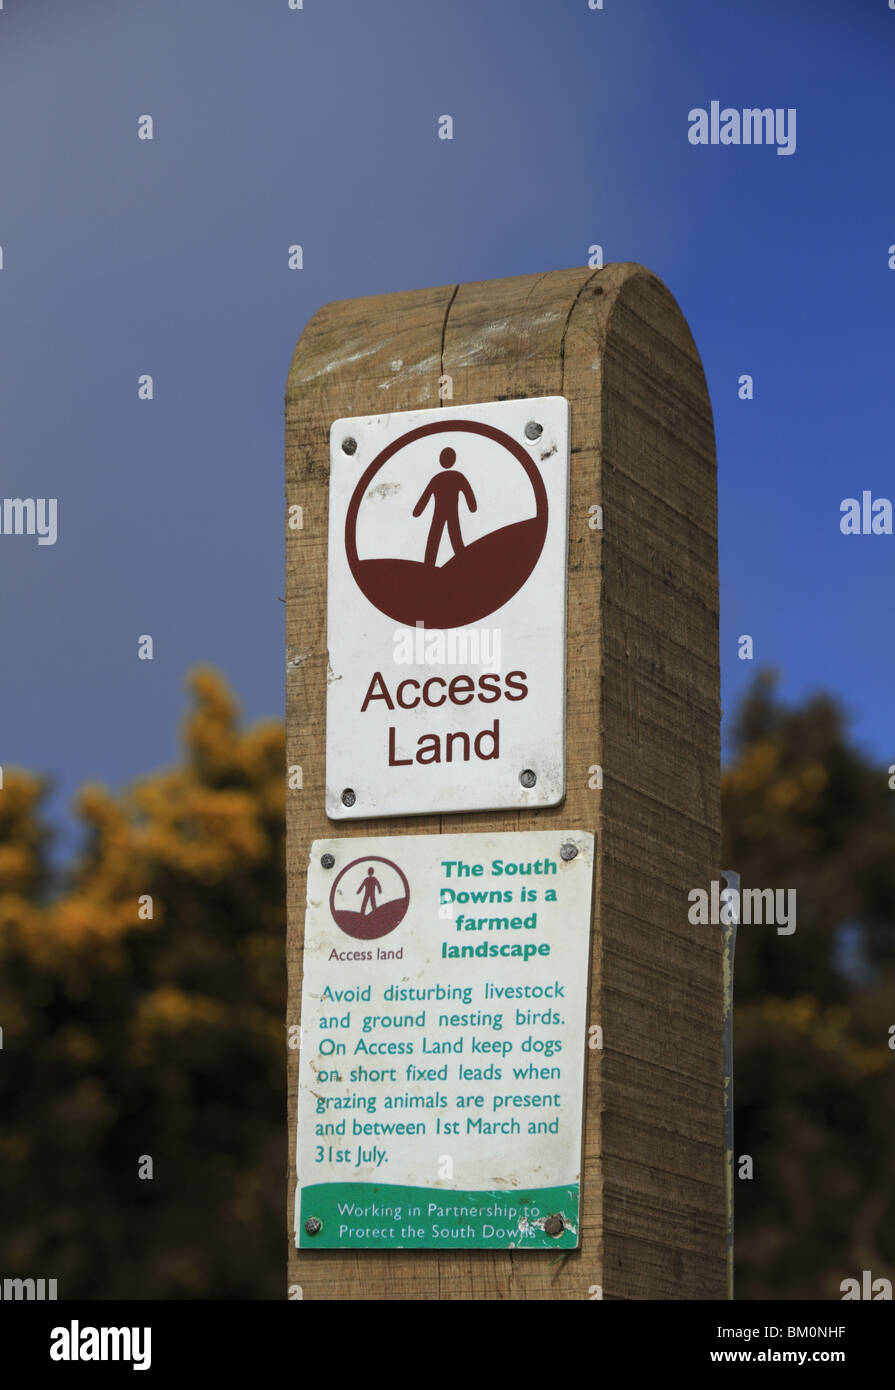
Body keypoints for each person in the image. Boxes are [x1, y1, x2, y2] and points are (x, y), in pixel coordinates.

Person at [412, 446, 477, 566]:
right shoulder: (457, 476)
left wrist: (417, 511)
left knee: (435, 538)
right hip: (450, 513)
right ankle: (462, 564)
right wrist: (472, 506)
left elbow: (424, 498)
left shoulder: (437, 479)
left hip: (440, 514)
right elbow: (469, 494)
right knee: (455, 538)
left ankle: (429, 565)